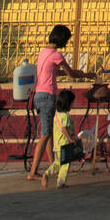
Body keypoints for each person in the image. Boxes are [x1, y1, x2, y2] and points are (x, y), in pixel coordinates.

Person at [26, 25, 93, 180]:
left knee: (47, 132)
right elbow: (70, 74)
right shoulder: (57, 55)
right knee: (44, 135)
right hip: (48, 96)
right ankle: (33, 172)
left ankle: (52, 165)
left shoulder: (43, 52)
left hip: (38, 95)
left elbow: (55, 71)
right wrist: (85, 74)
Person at [40, 90, 78, 189]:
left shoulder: (57, 114)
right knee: (65, 165)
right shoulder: (65, 116)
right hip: (64, 144)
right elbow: (64, 129)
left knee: (57, 163)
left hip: (57, 145)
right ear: (68, 104)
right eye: (72, 103)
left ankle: (46, 174)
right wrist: (70, 139)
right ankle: (60, 183)